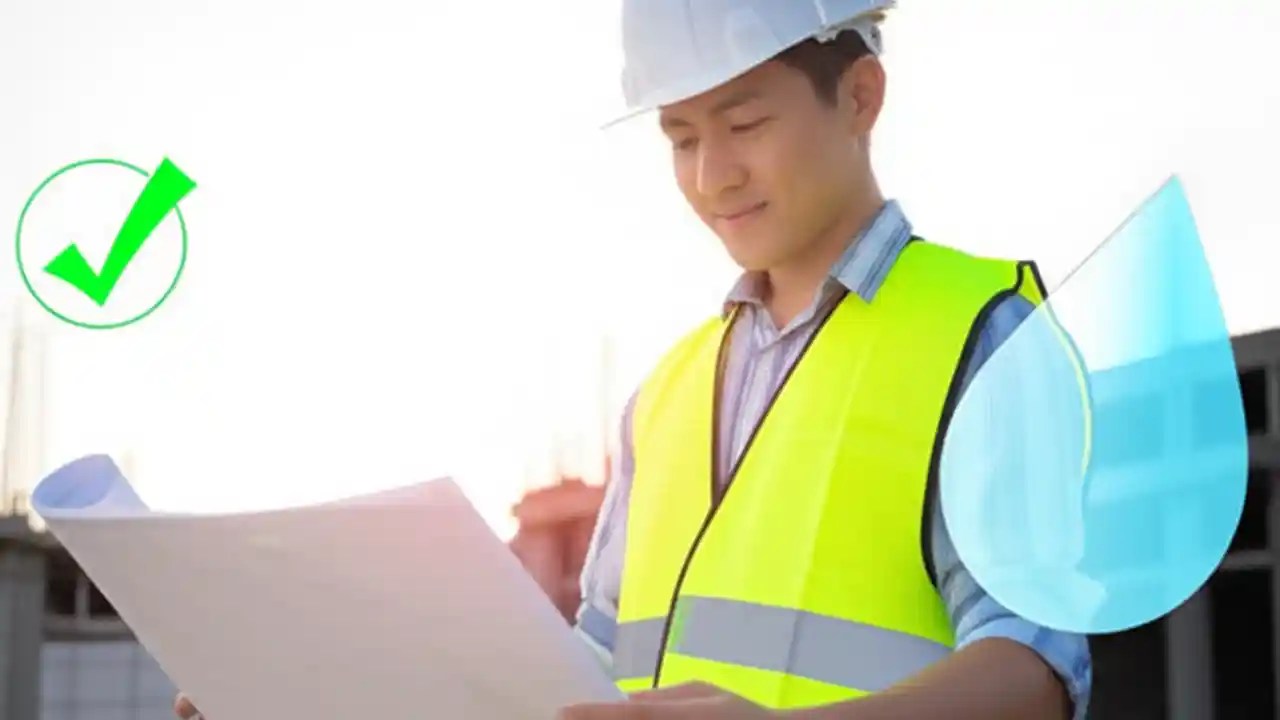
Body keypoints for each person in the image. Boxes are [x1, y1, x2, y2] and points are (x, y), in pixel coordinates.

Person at [177, 2, 1092, 719]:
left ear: (860, 97)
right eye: (681, 138)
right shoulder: (668, 394)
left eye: (745, 123)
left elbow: (1036, 669)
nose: (712, 176)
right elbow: (588, 672)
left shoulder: (984, 335)